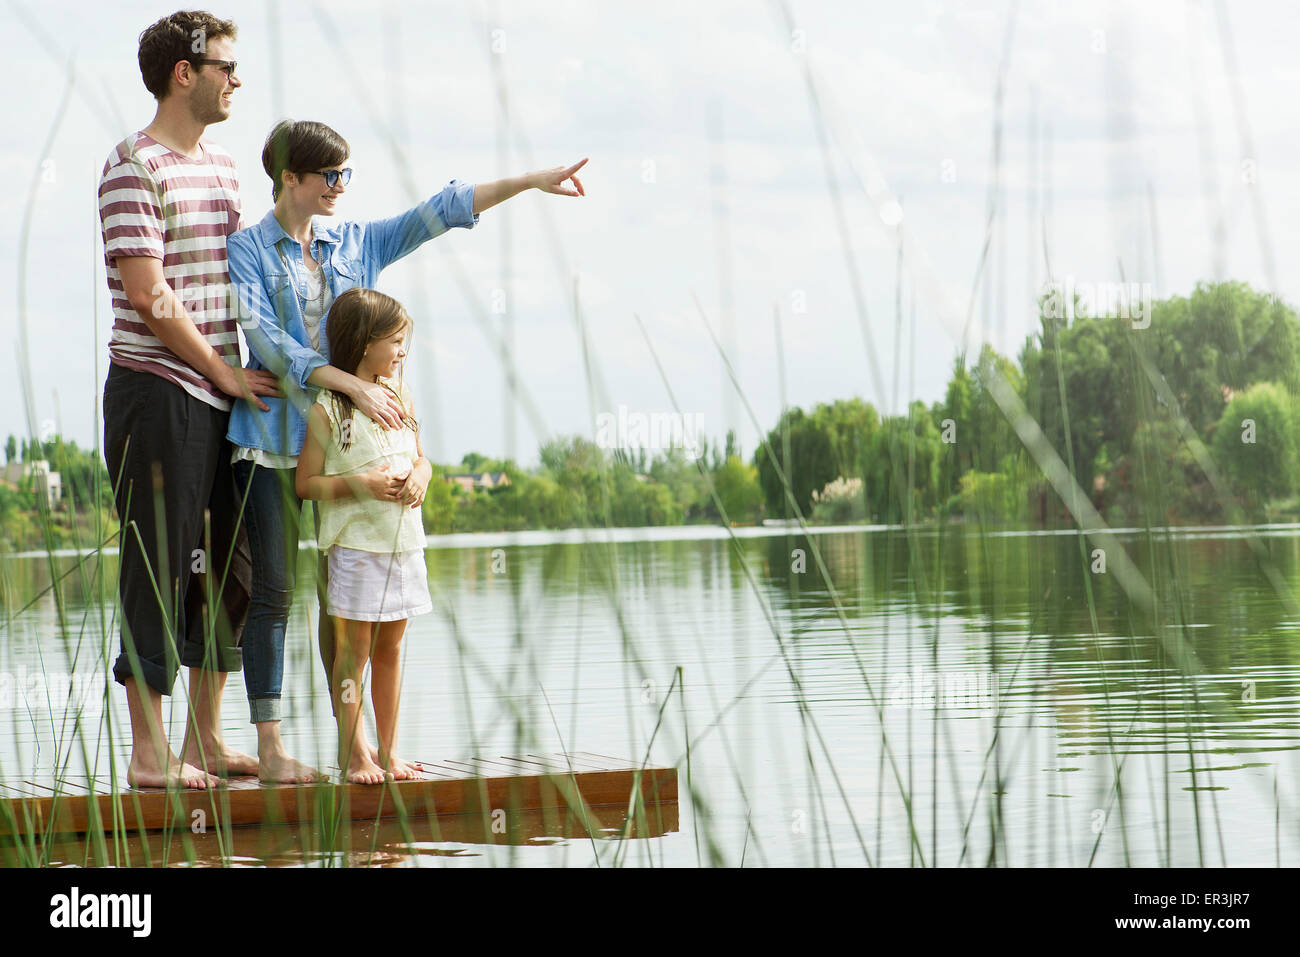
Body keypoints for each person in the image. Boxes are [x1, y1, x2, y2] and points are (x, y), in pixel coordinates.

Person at [225, 118, 586, 782]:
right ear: (290, 179)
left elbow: (440, 211)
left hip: (355, 459)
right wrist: (341, 381)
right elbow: (265, 337)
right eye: (329, 175)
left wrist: (533, 182)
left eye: (346, 174)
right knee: (271, 592)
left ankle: (356, 746)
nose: (340, 186)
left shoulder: (357, 242)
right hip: (275, 441)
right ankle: (272, 747)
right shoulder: (247, 248)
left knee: (350, 610)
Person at [98, 11, 279, 789]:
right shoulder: (132, 165)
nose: (237, 80)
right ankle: (149, 753)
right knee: (161, 565)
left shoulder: (230, 168)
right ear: (186, 71)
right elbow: (149, 295)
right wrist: (222, 370)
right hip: (158, 391)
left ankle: (204, 740)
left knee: (231, 568)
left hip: (226, 399)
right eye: (227, 67)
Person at [295, 288, 430, 783]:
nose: (401, 352)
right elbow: (306, 483)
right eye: (394, 341)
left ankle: (389, 752)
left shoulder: (402, 396)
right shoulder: (330, 409)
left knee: (393, 649)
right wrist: (364, 484)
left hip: (404, 545)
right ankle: (355, 754)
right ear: (363, 342)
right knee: (354, 655)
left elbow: (421, 455)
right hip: (355, 550)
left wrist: (422, 475)